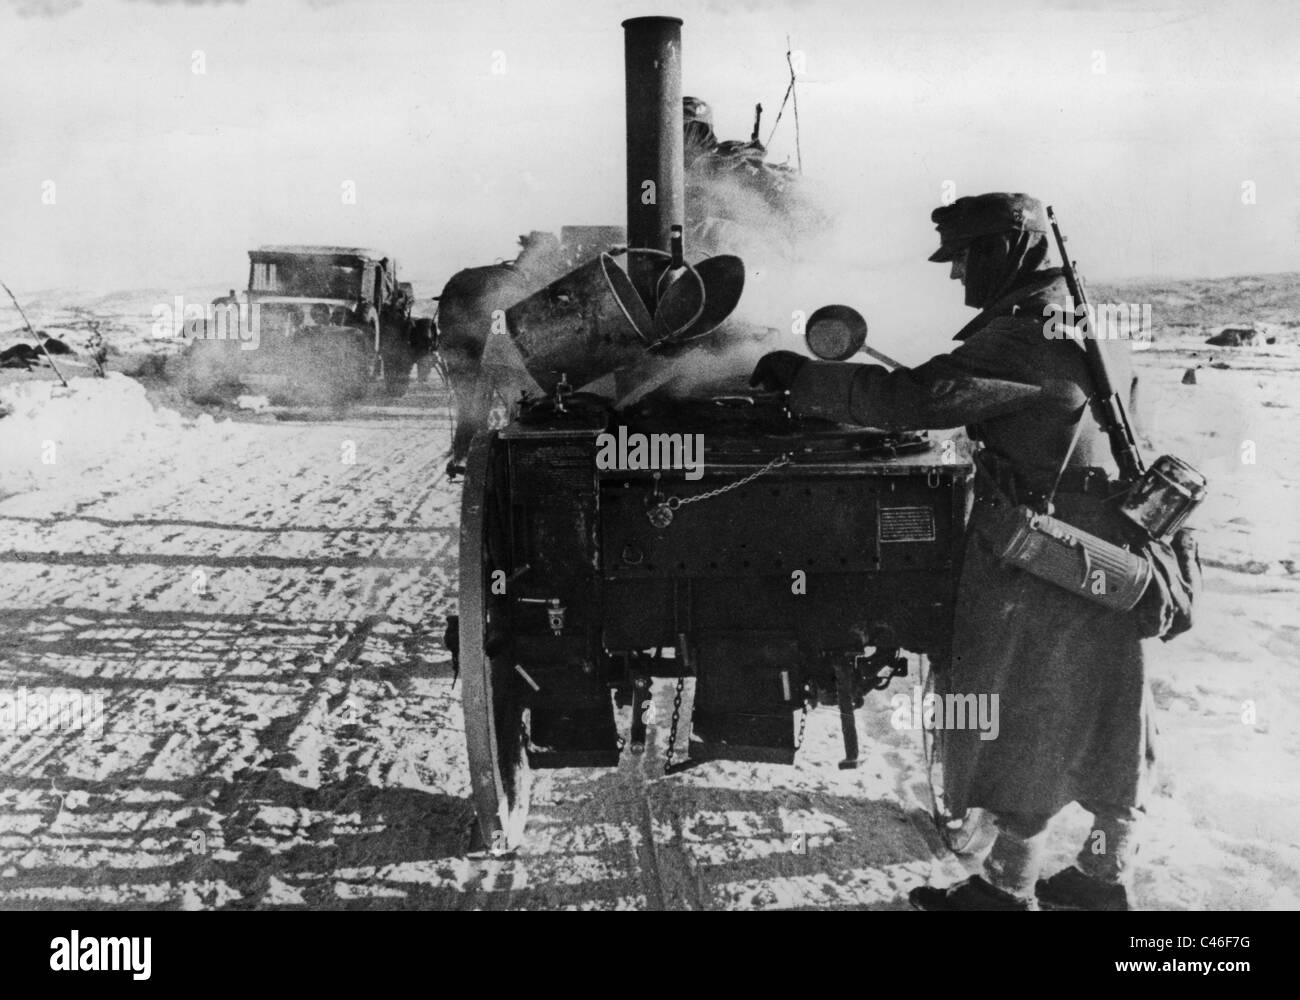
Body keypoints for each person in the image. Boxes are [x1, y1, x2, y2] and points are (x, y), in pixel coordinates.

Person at [751, 192, 1191, 911]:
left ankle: (1004, 893)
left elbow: (926, 397)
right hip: (1114, 548)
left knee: (1025, 720)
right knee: (1109, 720)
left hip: (1047, 554)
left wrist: (802, 377)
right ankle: (1101, 883)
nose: (958, 278)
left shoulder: (1023, 332)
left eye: (963, 259)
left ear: (1005, 248)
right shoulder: (1085, 317)